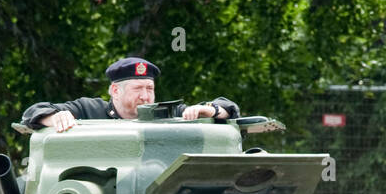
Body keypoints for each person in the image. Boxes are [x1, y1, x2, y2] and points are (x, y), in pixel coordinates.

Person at [21, 57, 239, 132]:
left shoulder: (168, 113)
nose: (145, 96)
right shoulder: (89, 110)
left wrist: (208, 110)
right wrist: (53, 118)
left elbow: (229, 109)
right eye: (138, 89)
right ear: (115, 90)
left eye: (150, 89)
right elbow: (32, 112)